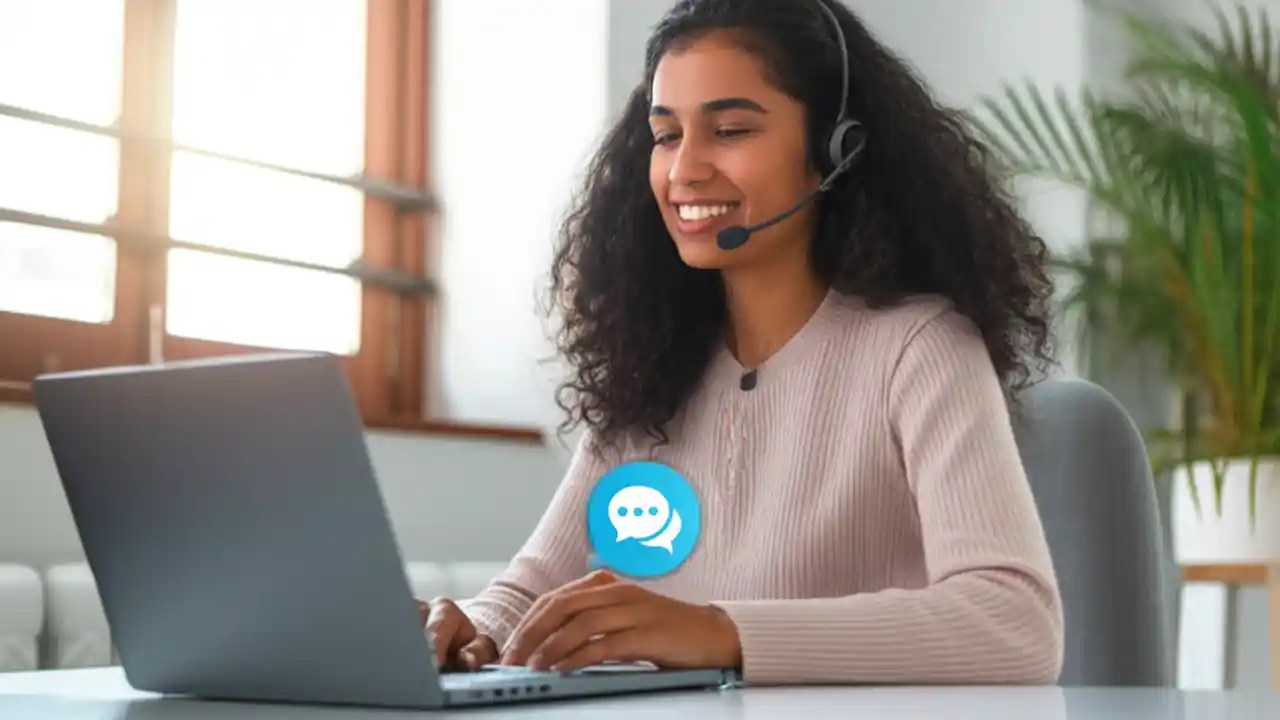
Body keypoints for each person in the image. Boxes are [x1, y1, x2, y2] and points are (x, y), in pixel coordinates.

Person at [422, 0, 1064, 686]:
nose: (685, 170)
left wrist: (722, 632)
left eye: (728, 129)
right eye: (666, 136)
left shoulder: (922, 349)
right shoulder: (653, 370)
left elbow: (1015, 625)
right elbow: (528, 592)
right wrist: (469, 629)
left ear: (832, 152)